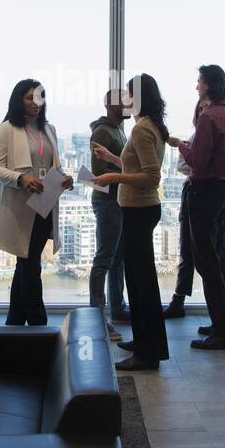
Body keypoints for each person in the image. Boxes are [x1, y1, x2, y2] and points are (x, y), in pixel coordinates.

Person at [94, 73, 169, 371]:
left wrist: (114, 176)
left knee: (143, 283)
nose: (124, 98)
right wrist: (113, 158)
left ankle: (148, 353)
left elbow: (151, 176)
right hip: (139, 209)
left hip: (140, 209)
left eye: (127, 93)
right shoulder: (149, 126)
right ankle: (143, 342)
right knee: (137, 281)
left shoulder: (140, 129)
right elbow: (137, 165)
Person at [167, 64, 225, 350]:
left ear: (209, 85)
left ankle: (223, 333)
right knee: (220, 256)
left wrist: (179, 145)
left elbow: (197, 161)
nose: (196, 87)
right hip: (224, 189)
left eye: (199, 81)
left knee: (206, 261)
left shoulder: (208, 118)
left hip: (204, 191)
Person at [0, 79, 73, 325]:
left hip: (44, 204)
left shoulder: (49, 129)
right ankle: (38, 322)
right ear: (19, 100)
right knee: (29, 264)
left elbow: (51, 166)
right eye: (30, 97)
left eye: (40, 97)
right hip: (18, 207)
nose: (36, 102)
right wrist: (21, 179)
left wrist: (63, 178)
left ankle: (15, 321)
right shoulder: (7, 129)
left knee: (27, 262)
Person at [162, 97, 209, 319]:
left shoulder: (198, 137)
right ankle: (180, 299)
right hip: (201, 193)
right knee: (189, 250)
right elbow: (184, 164)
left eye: (205, 107)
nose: (202, 112)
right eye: (200, 108)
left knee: (196, 252)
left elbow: (184, 164)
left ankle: (179, 299)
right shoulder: (197, 135)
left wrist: (183, 147)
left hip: (198, 193)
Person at [88, 90, 130, 341]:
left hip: (116, 201)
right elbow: (97, 172)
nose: (127, 104)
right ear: (108, 104)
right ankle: (97, 318)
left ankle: (117, 308)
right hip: (107, 202)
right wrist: (126, 170)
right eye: (122, 100)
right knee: (104, 259)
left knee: (117, 259)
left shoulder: (118, 130)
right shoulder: (104, 131)